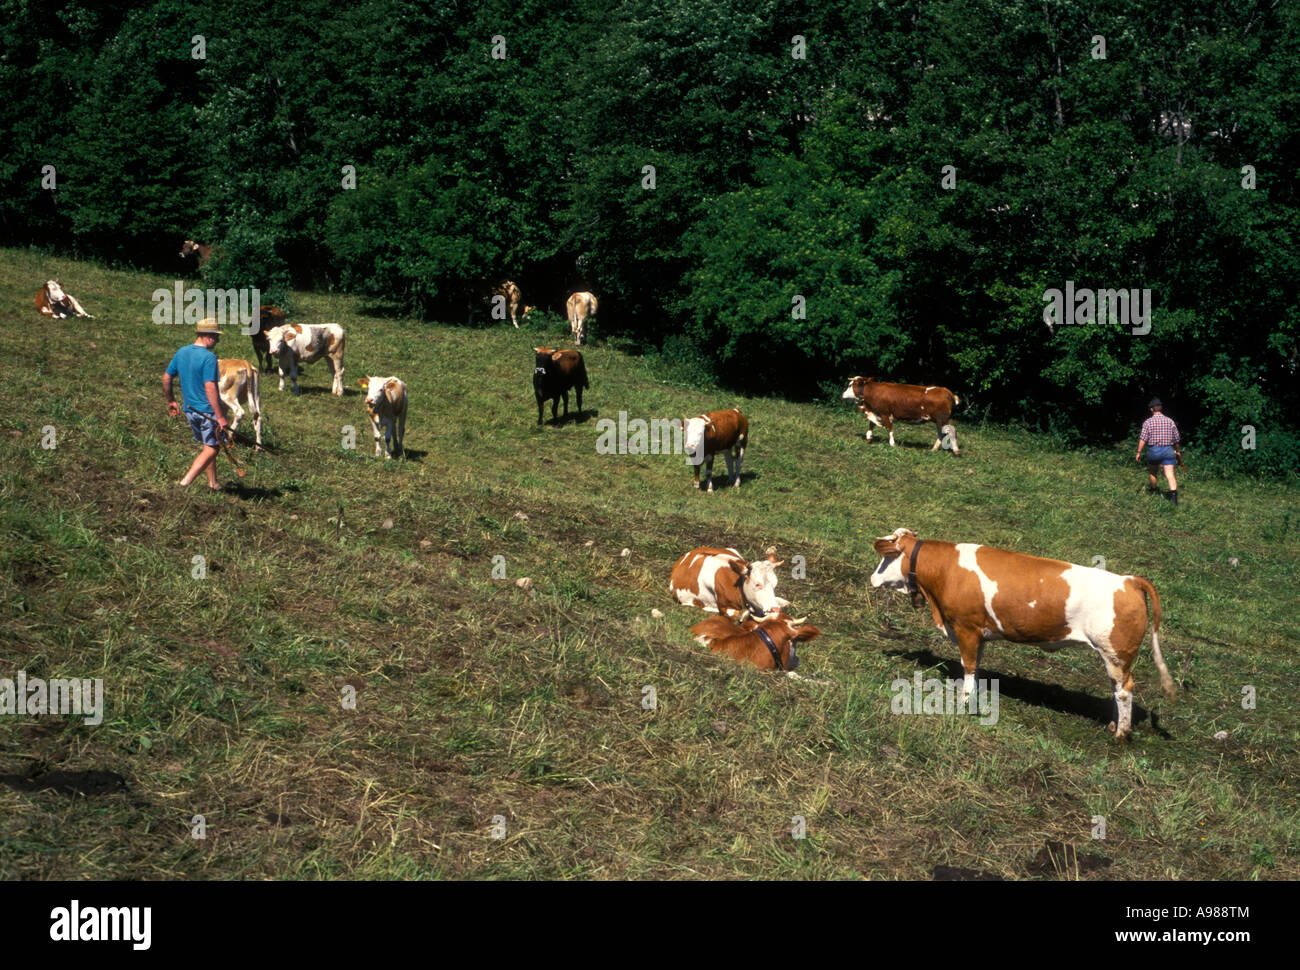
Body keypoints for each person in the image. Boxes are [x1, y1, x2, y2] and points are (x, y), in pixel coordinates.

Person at [163, 318, 230, 491]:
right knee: (212, 449)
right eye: (216, 337)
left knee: (208, 445)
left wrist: (171, 400)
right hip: (207, 411)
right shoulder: (209, 358)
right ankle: (184, 484)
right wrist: (221, 417)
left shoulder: (182, 352)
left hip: (190, 411)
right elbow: (210, 388)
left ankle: (213, 483)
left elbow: (167, 377)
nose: (218, 341)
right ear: (208, 336)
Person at [1135, 397, 1182, 505]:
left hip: (1154, 450)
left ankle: (1154, 489)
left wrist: (1138, 452)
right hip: (1168, 450)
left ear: (1152, 409)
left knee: (1153, 472)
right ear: (1161, 408)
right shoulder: (1170, 421)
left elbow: (1143, 439)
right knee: (1170, 474)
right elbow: (1176, 439)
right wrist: (1177, 451)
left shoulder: (1148, 422)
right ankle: (1174, 498)